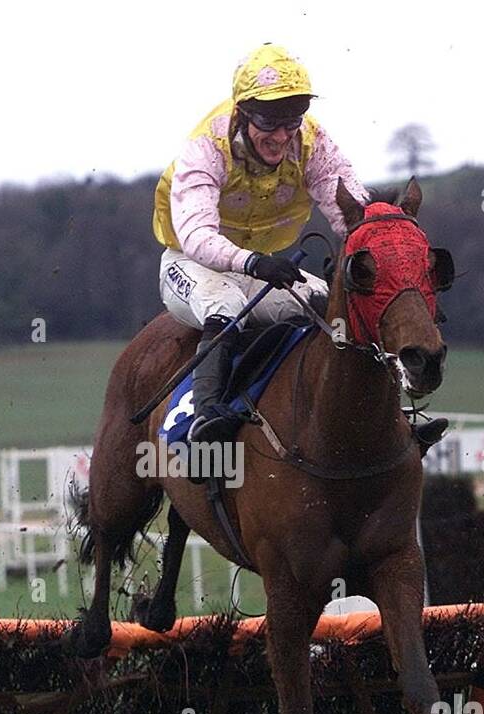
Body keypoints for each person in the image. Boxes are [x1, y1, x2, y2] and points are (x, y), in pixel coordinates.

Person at [152, 42, 371, 444]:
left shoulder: (311, 141)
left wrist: (372, 235)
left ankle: (375, 412)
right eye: (269, 122)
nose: (282, 136)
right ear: (243, 112)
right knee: (226, 304)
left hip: (254, 266)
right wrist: (254, 264)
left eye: (292, 120)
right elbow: (197, 237)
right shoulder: (206, 147)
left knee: (327, 300)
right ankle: (205, 417)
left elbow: (348, 208)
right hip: (190, 262)